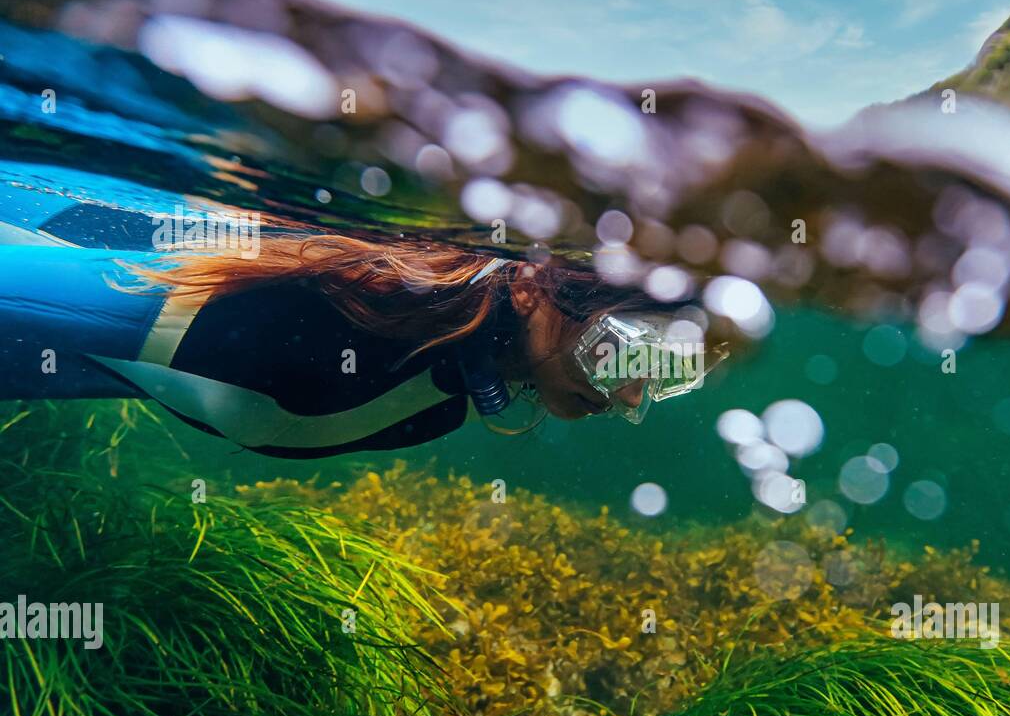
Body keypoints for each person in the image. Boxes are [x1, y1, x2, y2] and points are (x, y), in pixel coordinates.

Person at [0, 194, 723, 457]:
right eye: (631, 356)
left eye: (666, 378)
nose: (630, 397)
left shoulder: (441, 402)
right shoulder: (383, 301)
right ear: (535, 284)